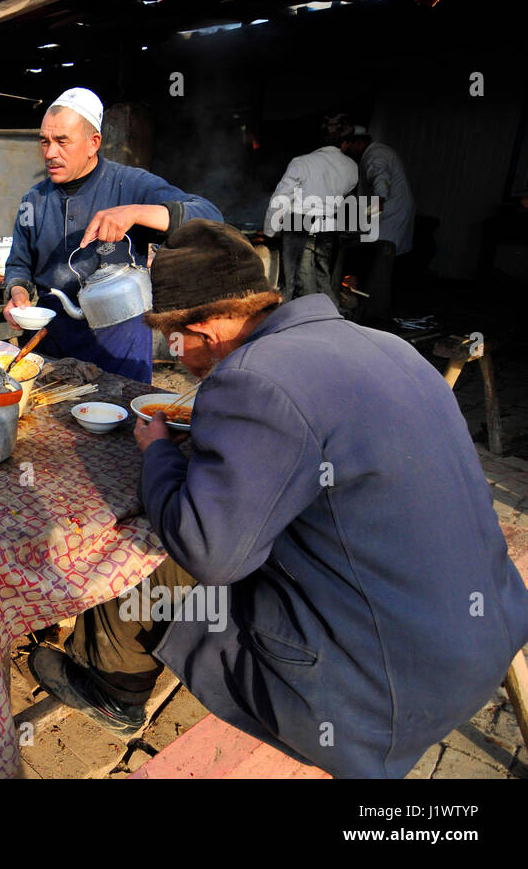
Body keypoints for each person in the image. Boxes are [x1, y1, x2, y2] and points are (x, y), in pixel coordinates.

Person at [29, 218, 528, 778]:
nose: (180, 359)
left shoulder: (252, 379)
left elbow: (209, 550)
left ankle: (111, 686)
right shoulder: (387, 345)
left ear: (209, 328)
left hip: (384, 691)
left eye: (177, 341)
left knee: (154, 545)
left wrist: (158, 452)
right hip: (488, 632)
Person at [2, 88, 222, 384]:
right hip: (48, 341)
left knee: (121, 423)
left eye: (62, 141)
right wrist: (17, 293)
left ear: (93, 143)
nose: (50, 153)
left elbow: (209, 216)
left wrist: (135, 213)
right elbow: (19, 264)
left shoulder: (130, 184)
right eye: (45, 141)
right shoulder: (34, 199)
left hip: (118, 343)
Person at [264, 119, 359, 307]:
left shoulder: (302, 162)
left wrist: (270, 231)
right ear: (344, 144)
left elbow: (281, 198)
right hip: (329, 225)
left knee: (295, 282)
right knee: (322, 276)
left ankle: (300, 320)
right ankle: (331, 315)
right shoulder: (351, 166)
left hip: (299, 222)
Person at [340, 126, 415, 257]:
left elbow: (380, 177)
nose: (347, 150)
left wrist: (378, 201)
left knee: (381, 253)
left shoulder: (375, 155)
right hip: (391, 211)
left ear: (359, 143)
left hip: (390, 213)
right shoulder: (376, 152)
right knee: (382, 252)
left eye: (349, 146)